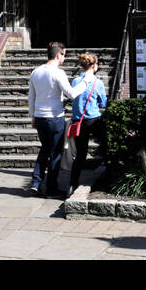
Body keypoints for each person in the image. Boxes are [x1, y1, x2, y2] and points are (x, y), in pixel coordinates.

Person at [27, 42, 92, 197]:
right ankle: (51, 188)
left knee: (44, 149)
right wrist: (86, 81)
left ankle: (36, 183)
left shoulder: (35, 72)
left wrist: (32, 116)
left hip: (40, 117)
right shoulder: (58, 73)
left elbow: (31, 97)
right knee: (55, 153)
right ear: (58, 55)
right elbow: (71, 93)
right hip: (55, 118)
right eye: (64, 54)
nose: (65, 57)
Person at [67, 53, 108, 194]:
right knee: (105, 146)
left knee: (80, 155)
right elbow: (103, 103)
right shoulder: (98, 82)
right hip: (94, 120)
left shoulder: (75, 81)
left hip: (78, 121)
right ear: (94, 65)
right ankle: (108, 175)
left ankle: (72, 184)